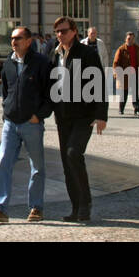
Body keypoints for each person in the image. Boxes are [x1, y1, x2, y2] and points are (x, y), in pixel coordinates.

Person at [0, 27, 53, 224]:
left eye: (18, 38)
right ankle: (0, 208)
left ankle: (36, 208)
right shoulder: (9, 63)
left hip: (31, 123)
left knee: (37, 166)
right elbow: (6, 92)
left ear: (29, 41)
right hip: (11, 123)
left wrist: (38, 116)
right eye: (12, 38)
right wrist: (6, 112)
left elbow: (50, 95)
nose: (14, 42)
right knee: (3, 164)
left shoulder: (41, 63)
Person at [49, 15, 107, 222]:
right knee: (66, 162)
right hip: (63, 116)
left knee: (74, 153)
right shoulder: (54, 54)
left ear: (74, 31)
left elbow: (99, 83)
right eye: (57, 31)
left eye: (63, 31)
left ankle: (85, 203)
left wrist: (101, 115)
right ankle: (76, 207)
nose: (59, 35)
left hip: (84, 115)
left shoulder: (87, 53)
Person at [112, 31, 139, 117]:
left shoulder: (138, 49)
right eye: (128, 38)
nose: (130, 40)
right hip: (125, 75)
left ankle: (137, 110)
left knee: (136, 93)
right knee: (124, 93)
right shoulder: (121, 49)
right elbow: (116, 63)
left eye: (132, 39)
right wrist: (117, 75)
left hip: (136, 74)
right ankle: (121, 109)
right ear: (125, 39)